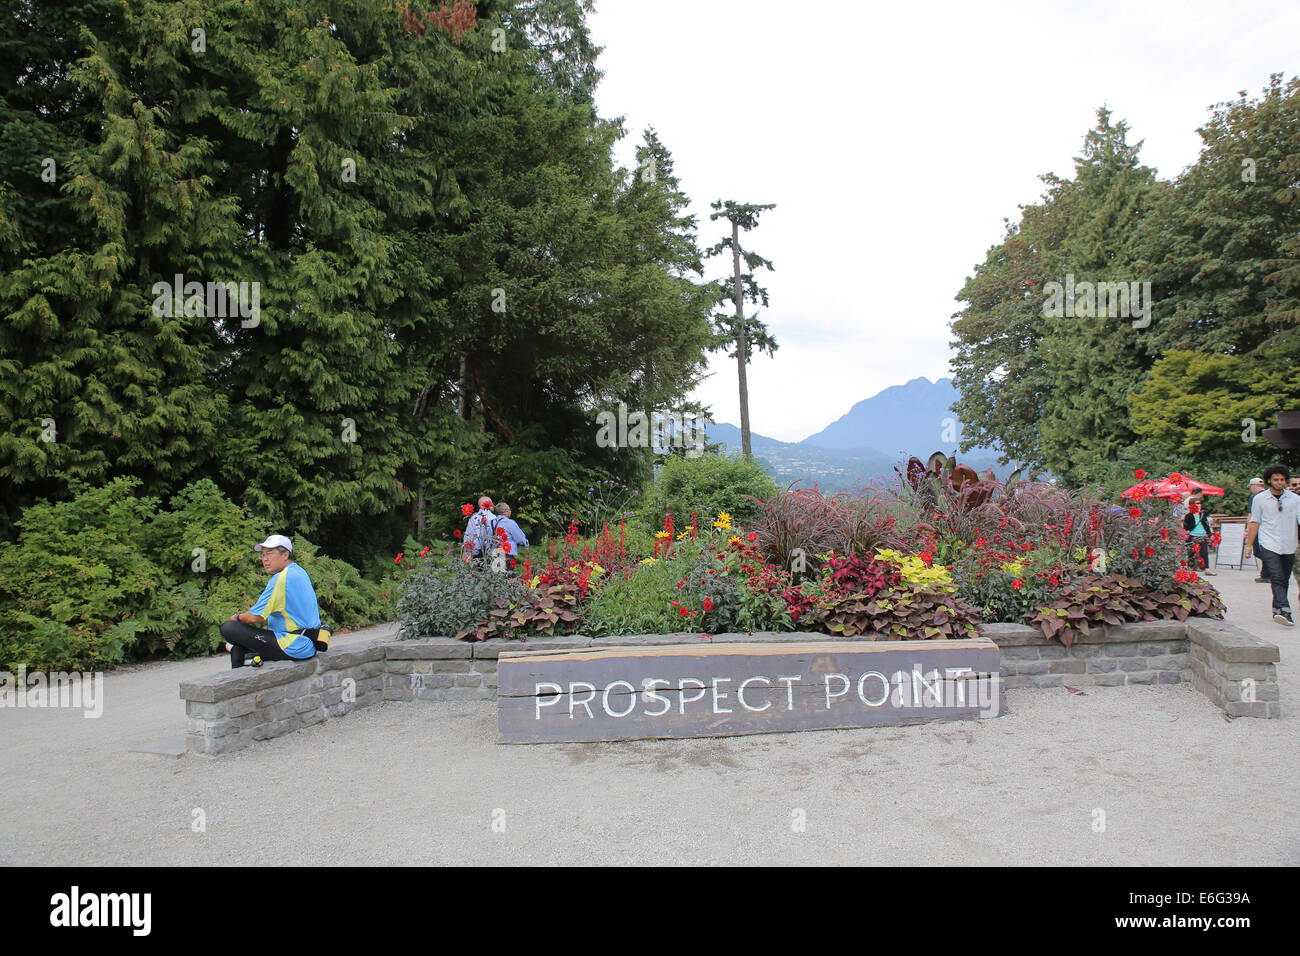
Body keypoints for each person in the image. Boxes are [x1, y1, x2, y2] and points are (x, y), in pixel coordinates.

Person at [220, 535, 328, 668]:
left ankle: (237, 680)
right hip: (308, 643)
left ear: (285, 555)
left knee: (230, 628)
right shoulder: (299, 572)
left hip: (292, 645)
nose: (265, 559)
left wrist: (237, 618)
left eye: (270, 554)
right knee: (237, 646)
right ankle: (243, 662)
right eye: (263, 555)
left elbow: (254, 617)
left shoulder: (281, 579)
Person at [1244, 465, 1300, 626]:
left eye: (1282, 480)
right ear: (1269, 480)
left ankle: (1276, 608)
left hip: (1290, 543)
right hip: (1268, 543)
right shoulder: (1260, 499)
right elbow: (1254, 521)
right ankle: (1285, 610)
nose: (1279, 483)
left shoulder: (1295, 499)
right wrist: (1249, 546)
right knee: (1276, 576)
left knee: (1284, 578)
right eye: (1276, 480)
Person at [1183, 489, 1215, 575]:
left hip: (1202, 535)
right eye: (1197, 504)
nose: (1199, 505)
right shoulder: (1189, 516)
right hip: (1193, 536)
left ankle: (1207, 569)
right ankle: (1190, 570)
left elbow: (1206, 525)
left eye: (1199, 503)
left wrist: (1210, 534)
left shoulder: (1203, 514)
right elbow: (1186, 527)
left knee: (1204, 552)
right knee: (1191, 553)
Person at [463, 496, 499, 565]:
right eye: (491, 503)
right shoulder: (494, 518)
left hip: (476, 554)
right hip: (492, 553)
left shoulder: (473, 518)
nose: (493, 505)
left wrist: (467, 554)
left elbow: (468, 537)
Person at [1248, 477, 1269, 582]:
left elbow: (1251, 515)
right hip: (1269, 528)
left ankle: (1271, 570)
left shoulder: (1254, 497)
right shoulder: (1269, 495)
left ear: (1253, 486)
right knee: (1267, 549)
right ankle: (1265, 574)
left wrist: (1248, 529)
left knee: (1258, 551)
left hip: (1258, 527)